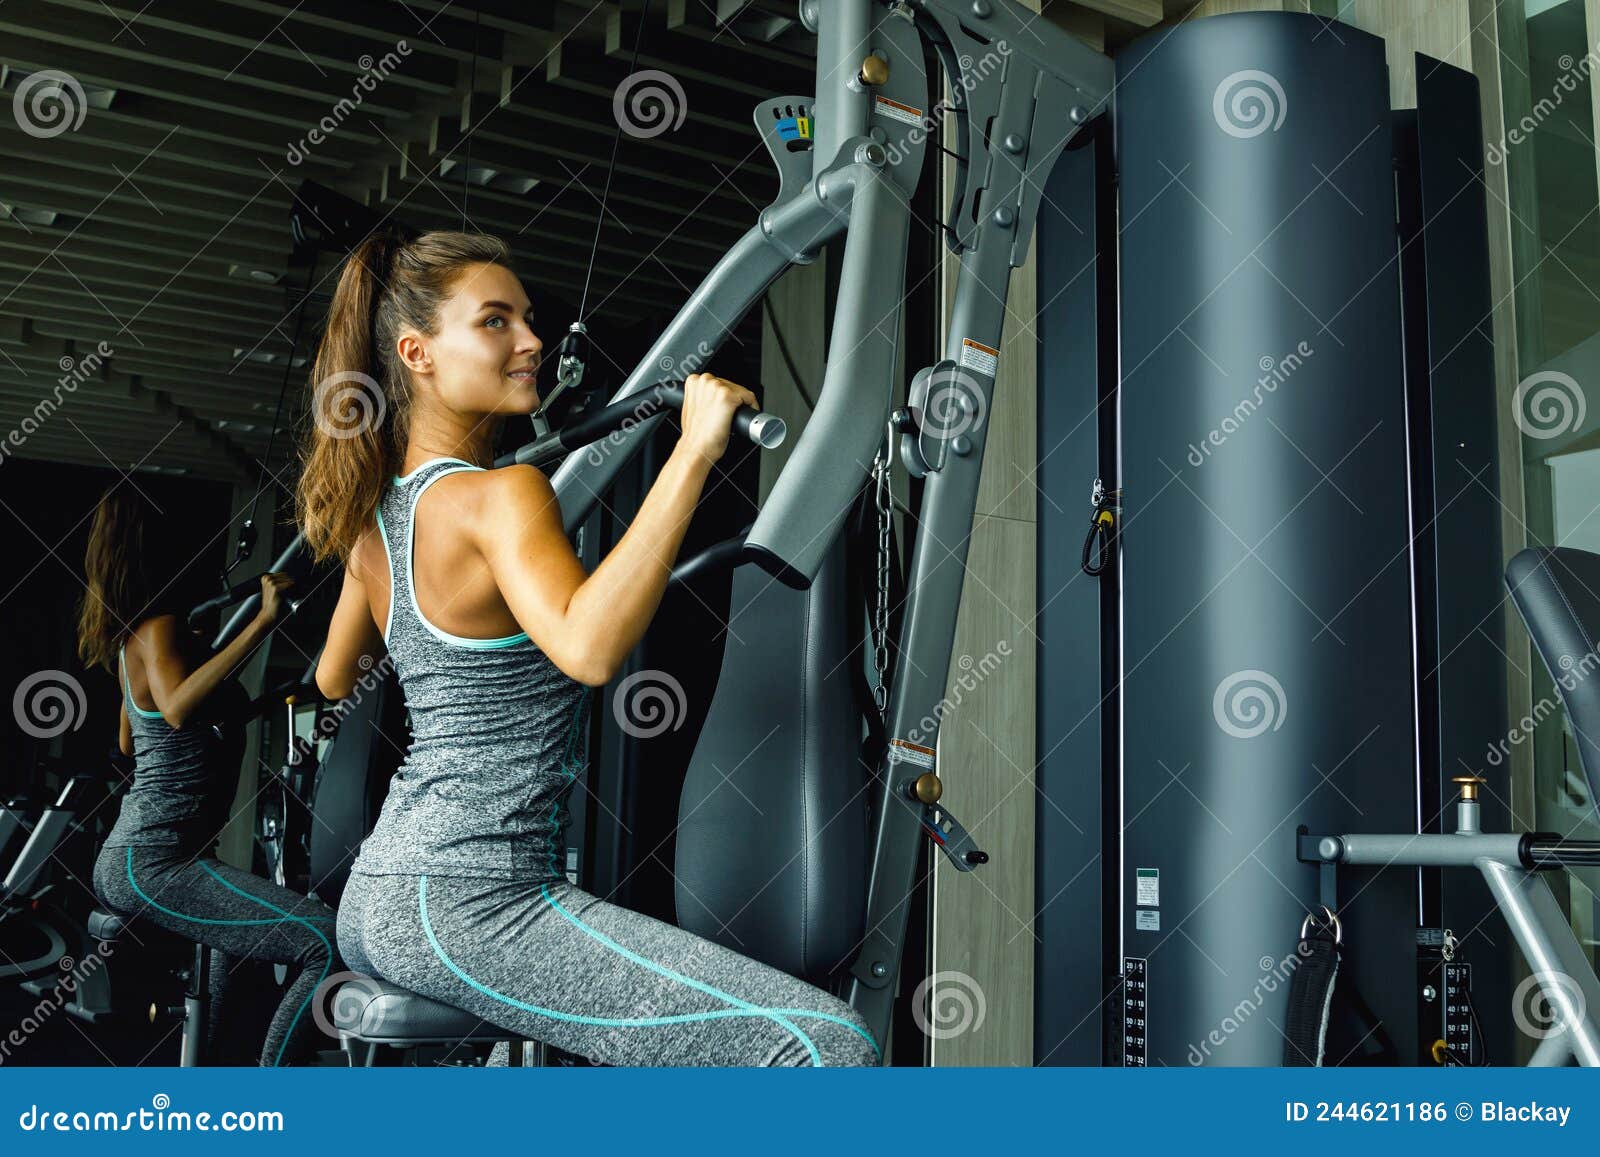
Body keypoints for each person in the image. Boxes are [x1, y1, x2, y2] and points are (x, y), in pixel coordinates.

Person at [300, 230, 880, 1067]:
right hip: (472, 895)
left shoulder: (375, 521)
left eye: (528, 318)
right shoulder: (505, 494)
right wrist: (693, 448)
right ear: (417, 353)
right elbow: (590, 646)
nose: (531, 339)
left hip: (381, 893)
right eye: (495, 322)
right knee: (825, 1046)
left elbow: (332, 676)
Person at [78, 489, 339, 1066]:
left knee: (238, 960)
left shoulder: (137, 641)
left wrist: (250, 699)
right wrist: (264, 622)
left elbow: (133, 739)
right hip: (155, 861)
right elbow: (176, 710)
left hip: (146, 857)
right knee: (323, 940)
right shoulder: (160, 629)